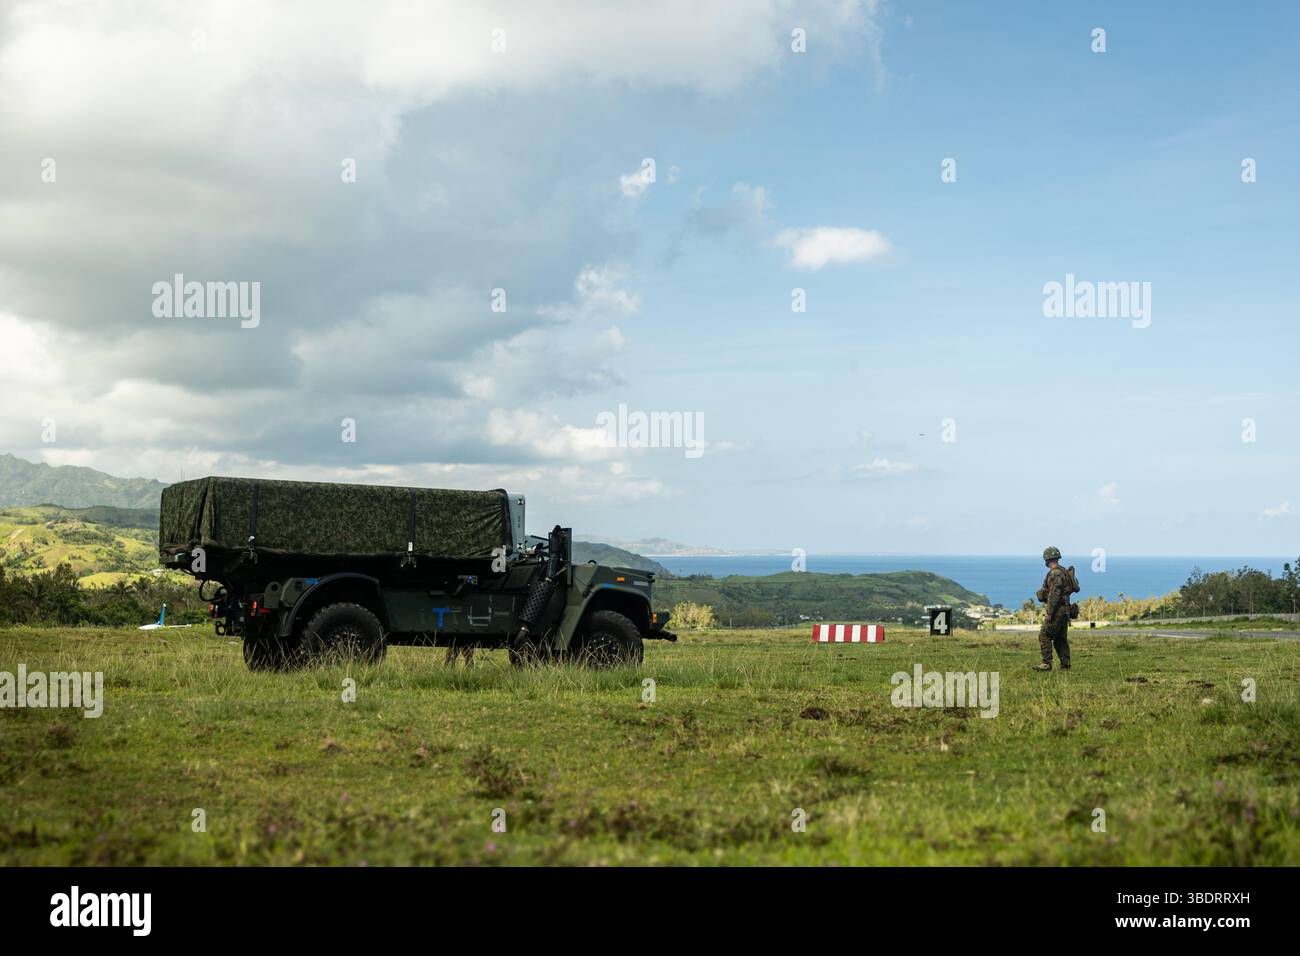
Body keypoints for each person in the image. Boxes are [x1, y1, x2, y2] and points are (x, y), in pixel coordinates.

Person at [1032, 546, 1072, 671]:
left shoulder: (1055, 573)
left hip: (1057, 610)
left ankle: (1046, 663)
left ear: (1047, 559)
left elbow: (1054, 595)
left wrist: (1049, 613)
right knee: (1060, 638)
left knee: (1044, 635)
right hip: (1065, 610)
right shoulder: (1063, 571)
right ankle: (1065, 665)